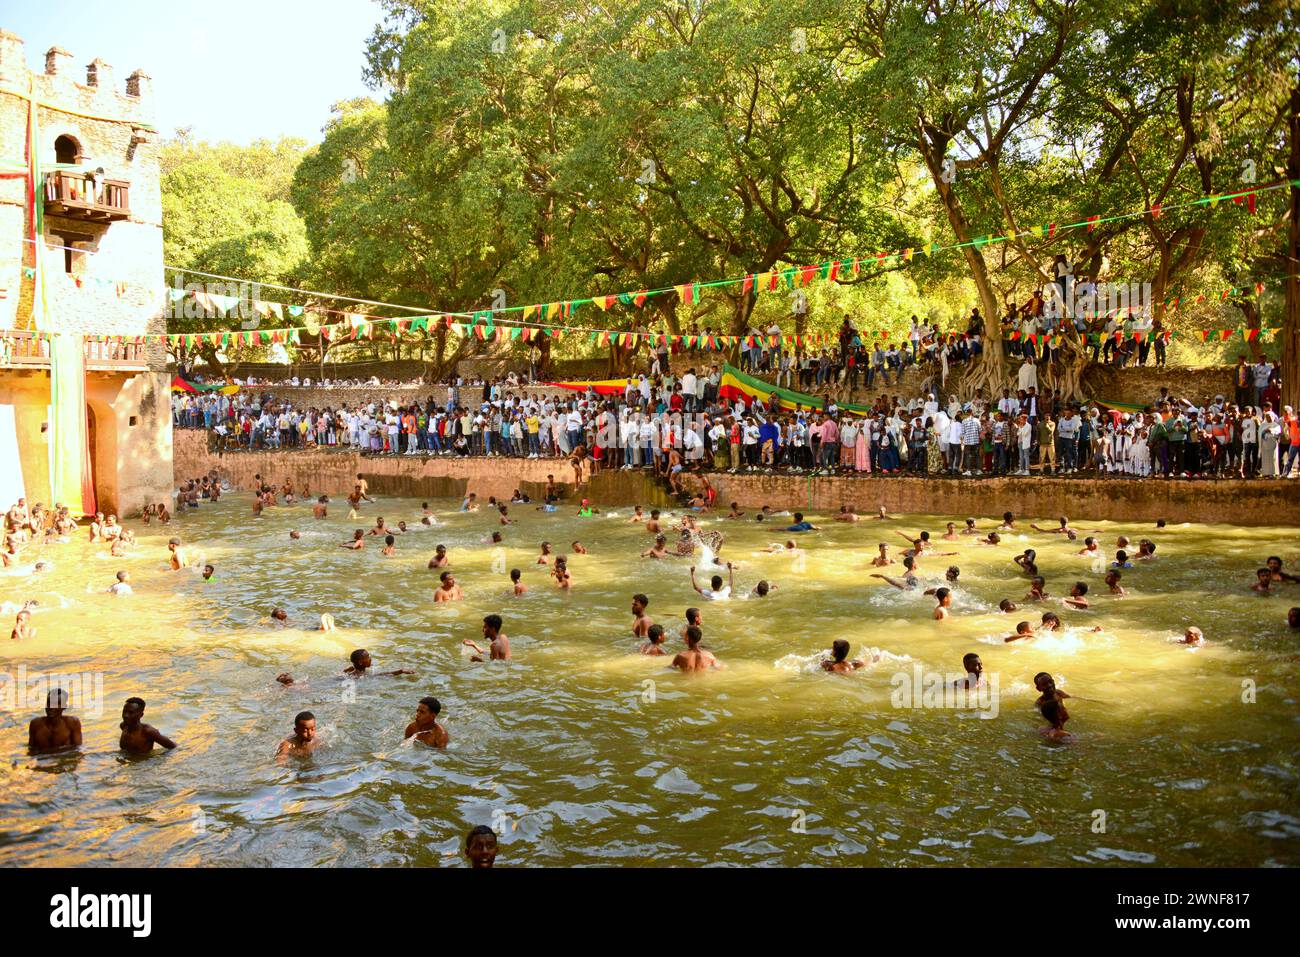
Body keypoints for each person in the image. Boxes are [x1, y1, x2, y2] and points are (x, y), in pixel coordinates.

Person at [28, 687, 82, 753]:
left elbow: (77, 750)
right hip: (43, 761)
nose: (51, 707)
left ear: (64, 706)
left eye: (56, 704)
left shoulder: (72, 723)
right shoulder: (35, 724)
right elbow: (31, 750)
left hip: (63, 761)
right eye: (49, 703)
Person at [343, 649, 414, 678]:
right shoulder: (361, 676)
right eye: (367, 657)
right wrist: (401, 671)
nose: (370, 658)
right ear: (360, 662)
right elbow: (384, 675)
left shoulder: (352, 669)